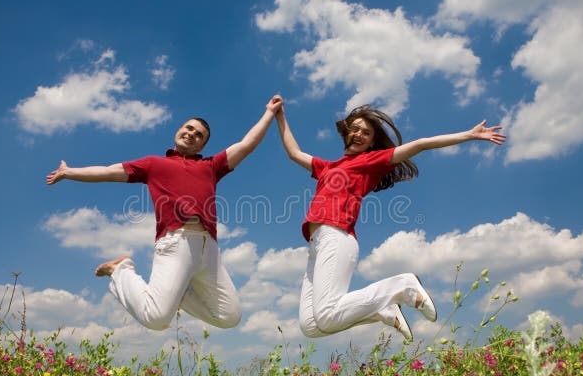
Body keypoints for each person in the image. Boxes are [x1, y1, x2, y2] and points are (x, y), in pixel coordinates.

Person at [46, 95, 284, 331]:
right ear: (179, 130)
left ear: (202, 146)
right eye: (188, 128)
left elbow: (246, 145)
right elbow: (108, 171)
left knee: (230, 315)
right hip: (176, 243)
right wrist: (69, 172)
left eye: (199, 135)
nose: (191, 134)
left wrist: (269, 113)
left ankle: (179, 293)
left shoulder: (211, 167)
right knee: (157, 319)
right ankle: (120, 270)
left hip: (209, 248)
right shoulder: (153, 164)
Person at [274, 103, 505, 340]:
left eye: (366, 133)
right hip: (316, 244)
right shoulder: (327, 167)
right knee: (311, 326)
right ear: (346, 132)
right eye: (355, 129)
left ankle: (402, 285)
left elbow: (421, 144)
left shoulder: (371, 161)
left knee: (325, 316)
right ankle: (383, 310)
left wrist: (469, 135)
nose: (359, 135)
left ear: (372, 142)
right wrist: (279, 116)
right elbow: (294, 153)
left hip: (337, 235)